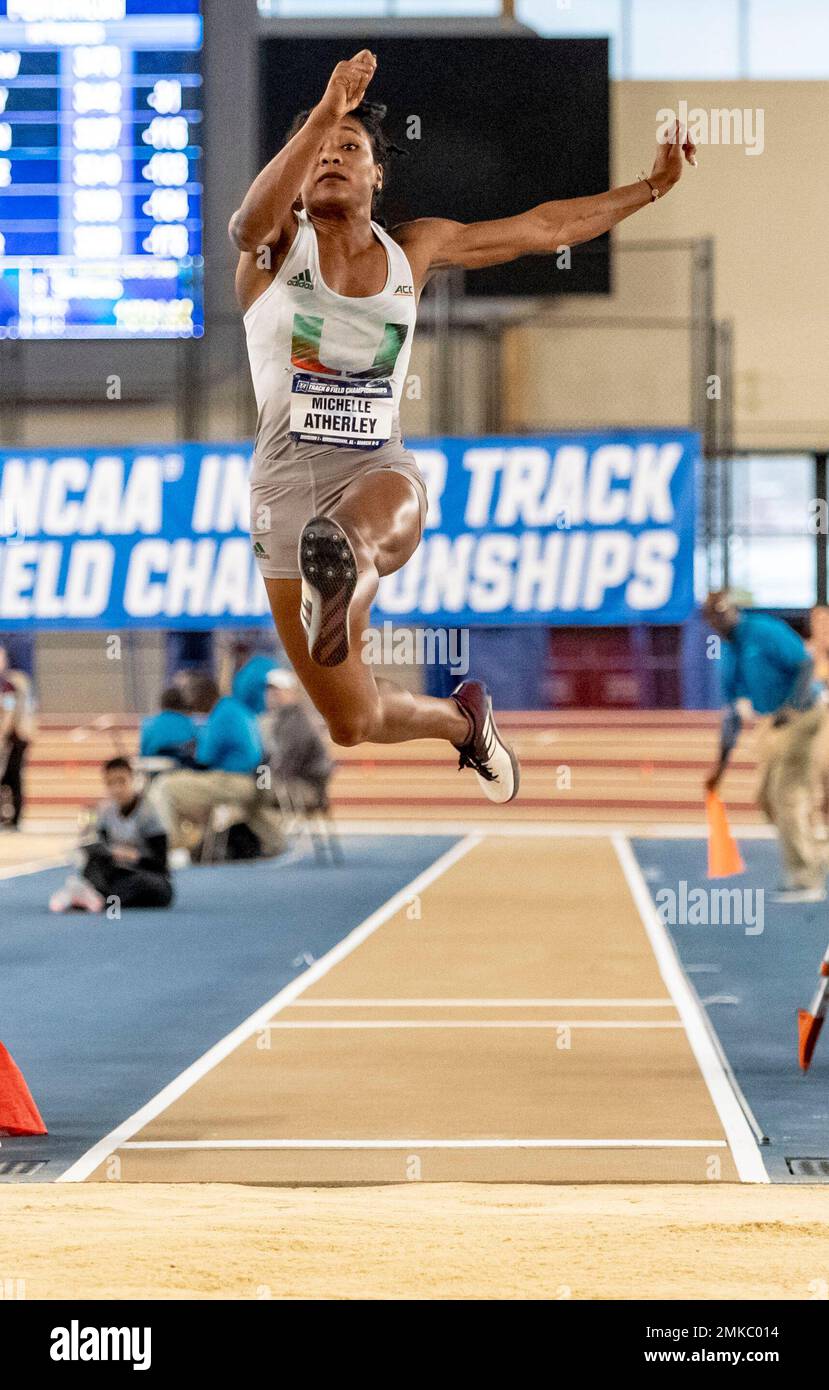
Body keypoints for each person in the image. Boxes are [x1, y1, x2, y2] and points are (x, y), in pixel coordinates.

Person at [228, 50, 696, 804]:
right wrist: (324, 111)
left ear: (378, 175)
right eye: (317, 148)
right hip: (282, 494)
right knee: (351, 722)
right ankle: (462, 722)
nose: (331, 157)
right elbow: (249, 218)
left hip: (372, 471)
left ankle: (343, 570)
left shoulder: (415, 248)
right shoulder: (273, 250)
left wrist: (651, 187)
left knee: (360, 524)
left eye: (349, 147)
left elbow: (542, 229)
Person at [703, 591, 827, 902]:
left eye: (727, 612)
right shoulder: (727, 653)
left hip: (802, 716)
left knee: (786, 795)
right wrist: (719, 769)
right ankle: (813, 849)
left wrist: (792, 706)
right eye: (717, 617)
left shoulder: (764, 630)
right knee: (767, 798)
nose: (724, 620)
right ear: (711, 622)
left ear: (733, 610)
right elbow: (731, 715)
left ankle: (807, 876)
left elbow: (804, 663)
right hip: (772, 721)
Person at [148, 672, 284, 858]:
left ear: (204, 695)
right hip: (256, 780)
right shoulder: (235, 708)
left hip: (237, 781)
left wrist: (190, 751)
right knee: (192, 793)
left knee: (165, 785)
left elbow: (205, 757)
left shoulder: (221, 714)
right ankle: (199, 841)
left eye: (192, 698)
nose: (191, 705)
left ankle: (170, 842)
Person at [49, 757, 173, 913]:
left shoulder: (150, 813)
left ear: (133, 779)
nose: (117, 789)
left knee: (155, 888)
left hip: (145, 874)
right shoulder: (105, 812)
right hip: (117, 874)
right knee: (94, 865)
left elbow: (161, 865)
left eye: (121, 782)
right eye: (110, 783)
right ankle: (97, 896)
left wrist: (133, 856)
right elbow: (102, 848)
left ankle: (98, 898)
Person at [261, 667, 333, 810]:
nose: (271, 695)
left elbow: (286, 764)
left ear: (291, 693)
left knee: (251, 791)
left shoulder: (297, 722)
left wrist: (261, 778)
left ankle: (258, 832)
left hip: (305, 789)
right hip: (295, 784)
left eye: (277, 691)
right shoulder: (281, 719)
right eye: (269, 691)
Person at [0, 667, 34, 830]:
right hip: (16, 738)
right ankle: (12, 817)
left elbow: (8, 713)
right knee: (12, 779)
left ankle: (14, 818)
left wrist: (2, 736)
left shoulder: (9, 687)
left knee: (12, 778)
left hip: (14, 740)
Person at [139, 686, 197, 764]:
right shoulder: (190, 724)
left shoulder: (148, 724)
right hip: (183, 771)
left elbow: (144, 755)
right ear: (182, 704)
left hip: (155, 770)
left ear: (161, 704)